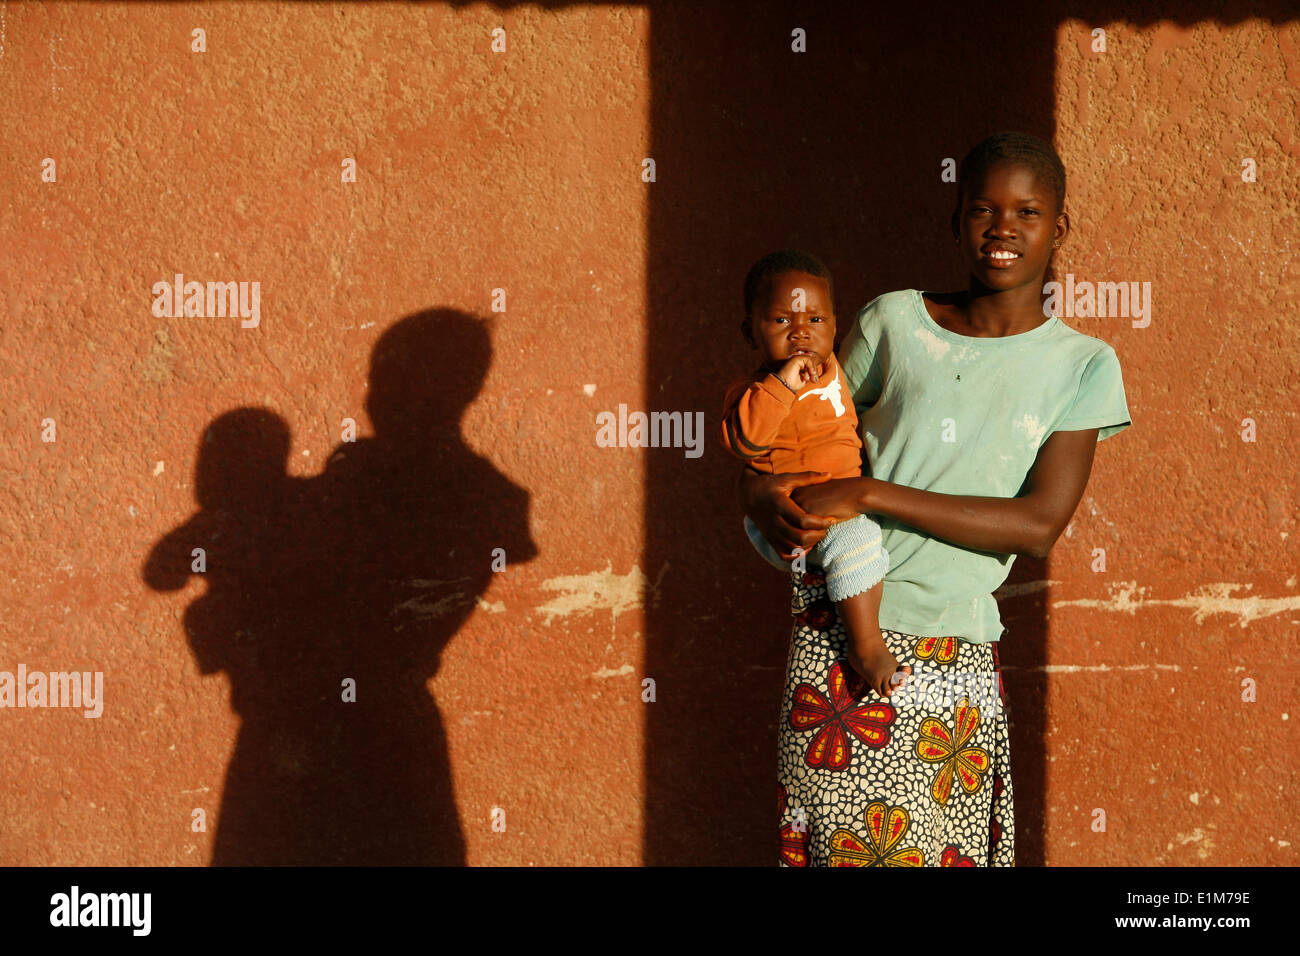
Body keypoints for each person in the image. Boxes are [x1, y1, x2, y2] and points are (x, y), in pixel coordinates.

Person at [740, 132, 1132, 867]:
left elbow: (1040, 525)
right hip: (840, 644)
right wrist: (759, 488)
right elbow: (796, 438)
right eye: (982, 208)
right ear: (955, 220)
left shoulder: (1082, 366)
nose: (1003, 229)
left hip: (956, 654)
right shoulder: (893, 324)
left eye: (1028, 212)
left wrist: (870, 491)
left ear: (1060, 227)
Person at [720, 250, 905, 699]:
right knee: (856, 539)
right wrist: (781, 386)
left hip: (835, 509)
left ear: (835, 327)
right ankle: (867, 647)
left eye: (816, 321)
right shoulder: (752, 390)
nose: (801, 332)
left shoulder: (837, 370)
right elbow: (744, 443)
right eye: (782, 321)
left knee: (861, 541)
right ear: (751, 332)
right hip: (787, 519)